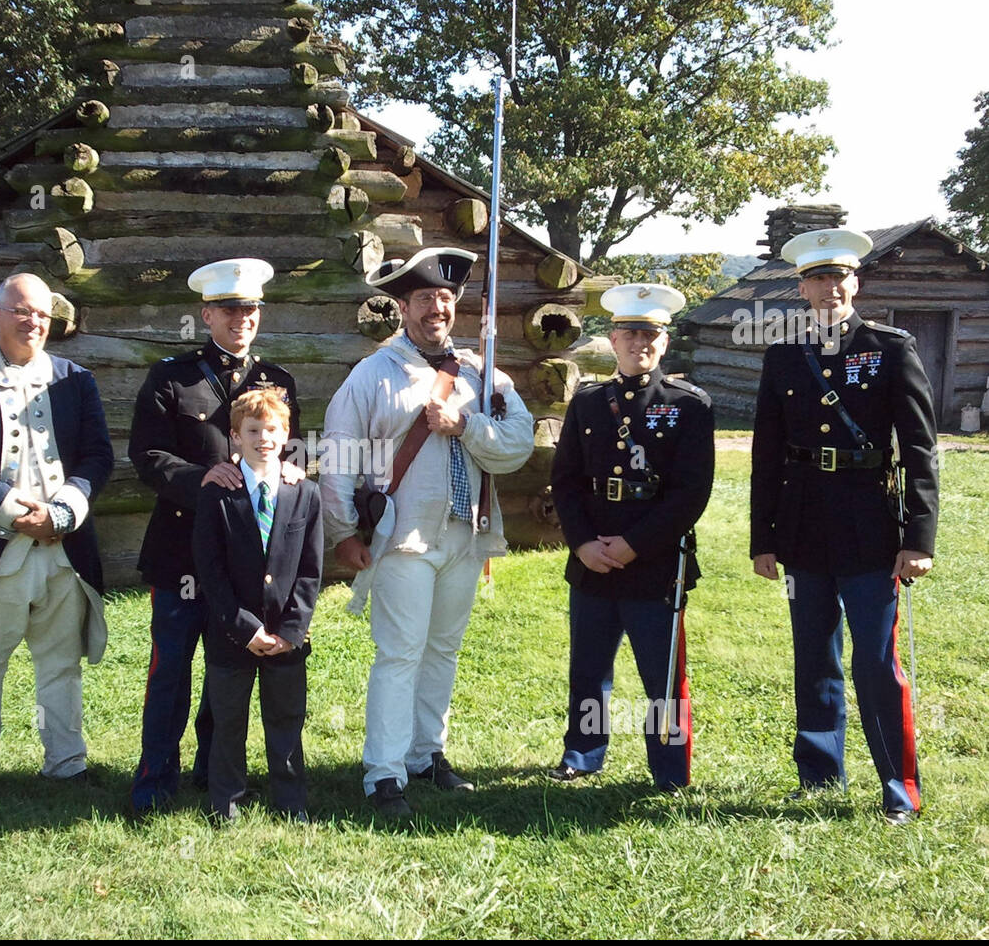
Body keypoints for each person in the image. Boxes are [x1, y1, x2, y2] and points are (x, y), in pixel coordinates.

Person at [319, 247, 534, 818]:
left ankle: (425, 752)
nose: (436, 308)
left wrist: (465, 425)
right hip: (402, 539)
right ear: (401, 307)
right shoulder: (372, 375)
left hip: (467, 535)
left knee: (442, 651)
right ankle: (384, 774)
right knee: (400, 654)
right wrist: (343, 532)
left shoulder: (482, 373)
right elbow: (338, 456)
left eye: (444, 298)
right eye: (423, 299)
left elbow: (519, 444)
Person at [751, 228, 938, 826]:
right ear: (802, 287)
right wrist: (764, 537)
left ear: (856, 282)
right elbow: (766, 452)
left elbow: (919, 449)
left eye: (841, 277)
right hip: (804, 528)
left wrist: (918, 539)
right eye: (819, 278)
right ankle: (820, 772)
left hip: (870, 528)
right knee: (814, 654)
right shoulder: (782, 356)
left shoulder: (890, 347)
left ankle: (898, 785)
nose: (830, 288)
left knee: (876, 662)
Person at [0, 272, 113, 818]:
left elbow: (97, 458)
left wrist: (62, 512)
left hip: (62, 548)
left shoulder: (76, 379)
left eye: (42, 314)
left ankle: (67, 763)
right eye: (21, 310)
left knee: (61, 665)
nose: (33, 321)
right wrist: (16, 512)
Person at [129, 258, 301, 813]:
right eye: (229, 309)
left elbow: (290, 449)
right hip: (180, 553)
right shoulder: (172, 377)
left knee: (226, 674)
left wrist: (296, 467)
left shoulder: (278, 382)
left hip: (245, 563)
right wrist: (201, 480)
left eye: (249, 309)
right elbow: (147, 455)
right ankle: (155, 778)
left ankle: (212, 770)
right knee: (171, 673)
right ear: (207, 314)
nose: (241, 319)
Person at [547, 283, 714, 792]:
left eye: (650, 334)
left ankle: (668, 769)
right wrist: (581, 543)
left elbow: (691, 493)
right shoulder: (590, 402)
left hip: (655, 559)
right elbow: (566, 480)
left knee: (661, 675)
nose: (639, 343)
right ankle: (582, 753)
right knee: (589, 668)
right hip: (593, 554)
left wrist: (634, 544)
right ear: (613, 339)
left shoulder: (689, 405)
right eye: (629, 333)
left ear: (663, 342)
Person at [192, 387, 324, 822]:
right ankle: (226, 800)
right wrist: (245, 628)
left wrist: (290, 632)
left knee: (286, 719)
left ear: (286, 434)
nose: (263, 438)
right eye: (253, 430)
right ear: (235, 436)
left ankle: (291, 802)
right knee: (229, 719)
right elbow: (210, 569)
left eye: (272, 430)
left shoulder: (305, 494)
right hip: (233, 634)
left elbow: (310, 570)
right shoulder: (217, 494)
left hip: (286, 637)